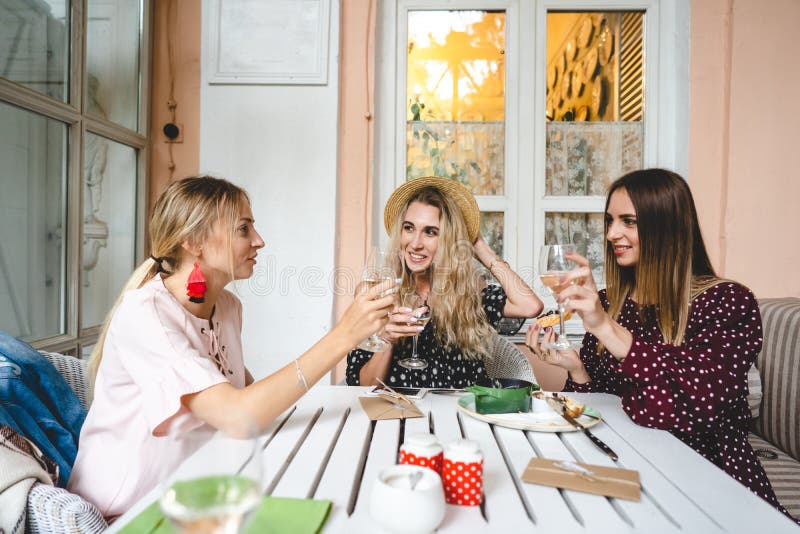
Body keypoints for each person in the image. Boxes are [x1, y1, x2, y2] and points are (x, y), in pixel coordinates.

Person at [68, 176, 395, 519]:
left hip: (199, 487)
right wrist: (344, 336)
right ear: (193, 241)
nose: (259, 240)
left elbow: (246, 396)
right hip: (128, 511)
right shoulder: (146, 315)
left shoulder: (227, 307)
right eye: (244, 229)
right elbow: (239, 416)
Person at [525, 168, 788, 515]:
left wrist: (607, 329)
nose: (611, 233)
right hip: (629, 465)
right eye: (610, 221)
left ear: (667, 226)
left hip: (708, 478)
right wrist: (577, 370)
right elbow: (606, 409)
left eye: (628, 221)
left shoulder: (726, 301)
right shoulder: (611, 302)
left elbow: (696, 405)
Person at [347, 176, 543, 388]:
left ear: (448, 240)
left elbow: (530, 306)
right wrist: (388, 339)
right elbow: (362, 386)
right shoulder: (375, 295)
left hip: (460, 416)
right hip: (396, 417)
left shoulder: (469, 295)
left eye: (430, 232)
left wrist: (478, 247)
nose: (415, 243)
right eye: (409, 228)